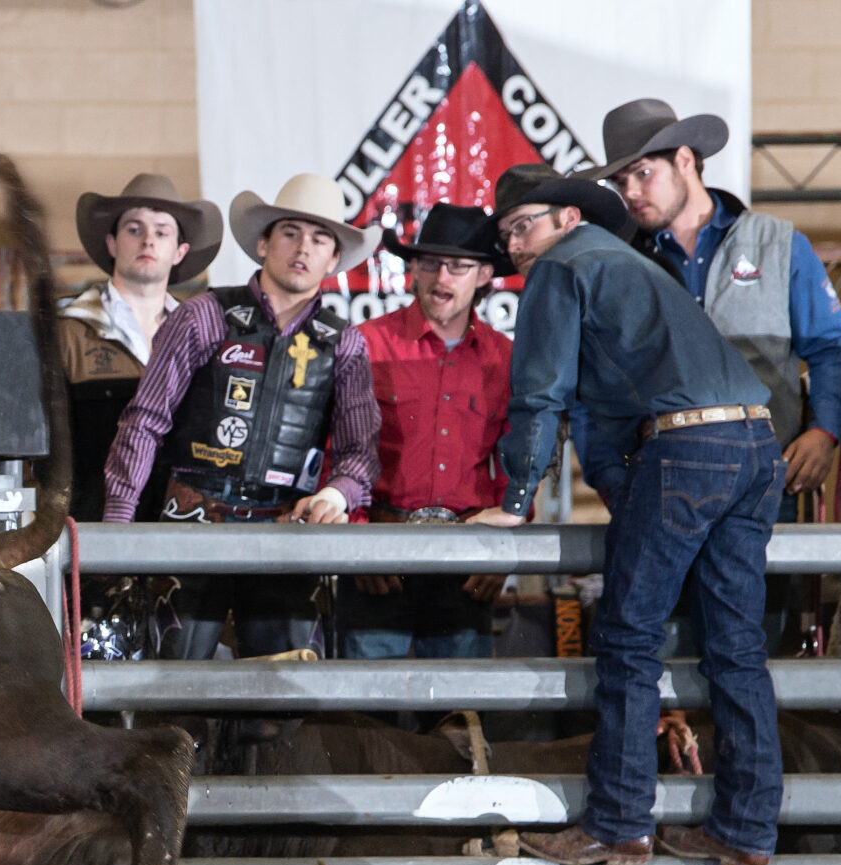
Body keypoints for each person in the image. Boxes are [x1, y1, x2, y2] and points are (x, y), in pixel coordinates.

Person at [470, 166, 782, 865]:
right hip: (754, 442)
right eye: (509, 231)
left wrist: (517, 495)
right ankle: (746, 831)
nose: (517, 243)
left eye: (527, 224)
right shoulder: (635, 270)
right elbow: (607, 407)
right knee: (735, 646)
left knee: (628, 635)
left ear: (569, 220)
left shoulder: (561, 268)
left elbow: (541, 389)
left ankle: (618, 824)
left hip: (684, 450)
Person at [103, 173, 380, 659]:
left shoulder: (344, 344)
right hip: (191, 516)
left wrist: (339, 492)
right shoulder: (204, 315)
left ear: (334, 259)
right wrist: (118, 527)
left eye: (320, 239)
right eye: (291, 232)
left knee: (287, 697)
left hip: (285, 526)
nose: (303, 248)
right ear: (263, 242)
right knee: (173, 688)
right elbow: (145, 420)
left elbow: (361, 453)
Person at [596, 98, 841, 516]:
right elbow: (596, 384)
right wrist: (611, 476)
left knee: (769, 583)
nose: (630, 192)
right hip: (660, 486)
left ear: (684, 160)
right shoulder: (617, 265)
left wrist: (823, 432)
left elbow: (831, 350)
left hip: (768, 479)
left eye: (643, 174)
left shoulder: (779, 244)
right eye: (620, 182)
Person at [338, 205, 516, 660]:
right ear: (412, 267)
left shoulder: (506, 357)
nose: (443, 278)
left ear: (483, 275)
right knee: (364, 716)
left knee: (460, 714)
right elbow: (335, 446)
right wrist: (354, 542)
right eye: (432, 262)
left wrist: (506, 548)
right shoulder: (364, 343)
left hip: (468, 557)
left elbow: (518, 459)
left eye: (459, 266)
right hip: (377, 550)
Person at [60, 173, 221, 521]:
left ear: (180, 251)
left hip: (183, 533)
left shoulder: (207, 341)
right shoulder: (68, 332)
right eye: (134, 229)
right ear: (112, 243)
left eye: (162, 232)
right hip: (90, 528)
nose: (148, 240)